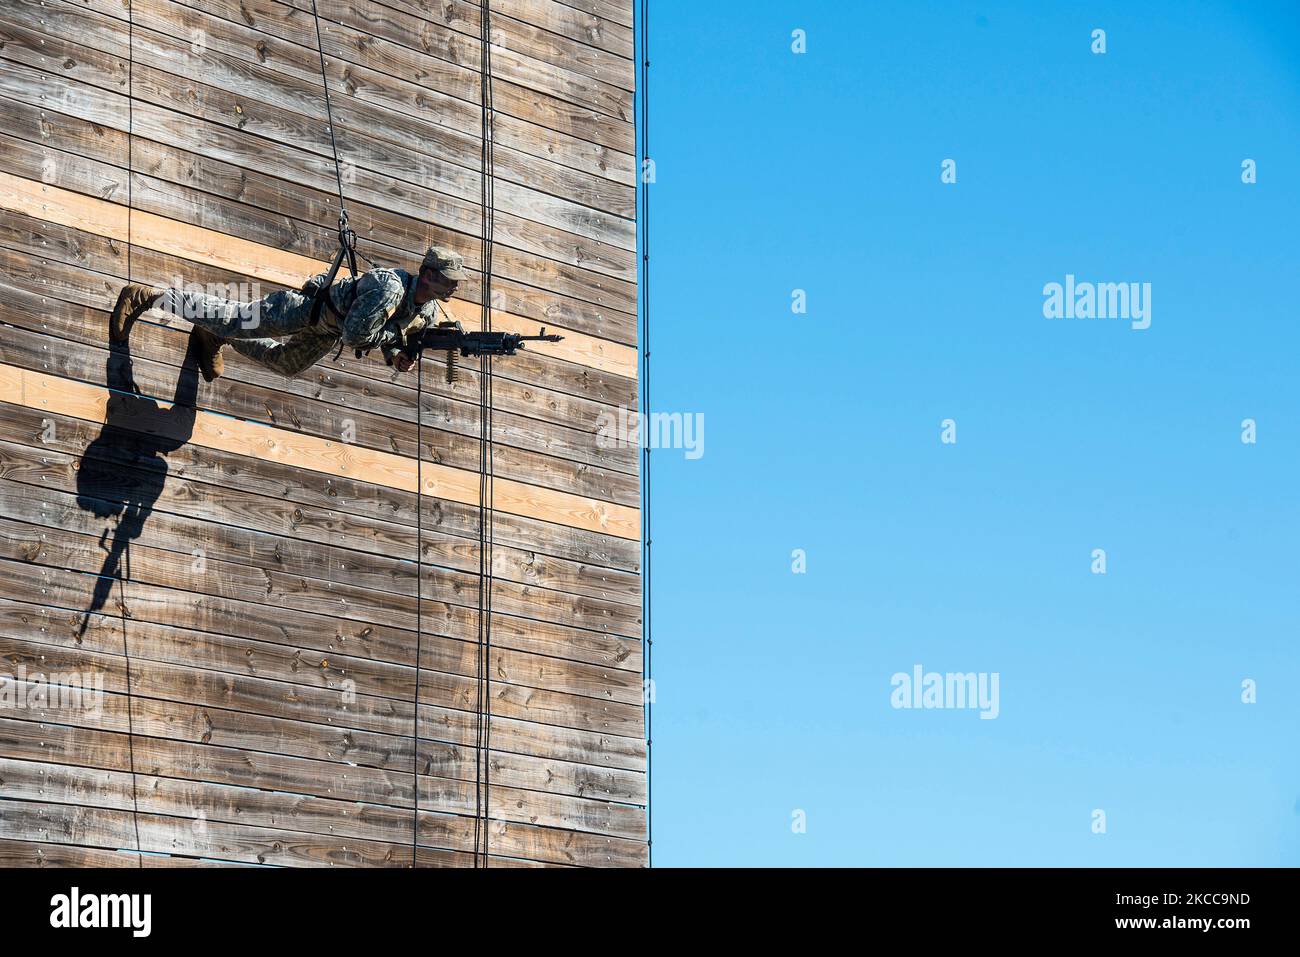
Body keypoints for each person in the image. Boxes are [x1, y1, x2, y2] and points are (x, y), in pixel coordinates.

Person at [107, 245, 467, 381]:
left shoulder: (429, 310)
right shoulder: (392, 287)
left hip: (325, 333)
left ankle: (215, 337)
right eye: (450, 280)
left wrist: (398, 358)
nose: (456, 287)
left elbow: (391, 335)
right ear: (429, 274)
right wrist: (397, 340)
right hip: (305, 312)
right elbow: (357, 335)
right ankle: (147, 297)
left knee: (286, 365)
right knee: (234, 317)